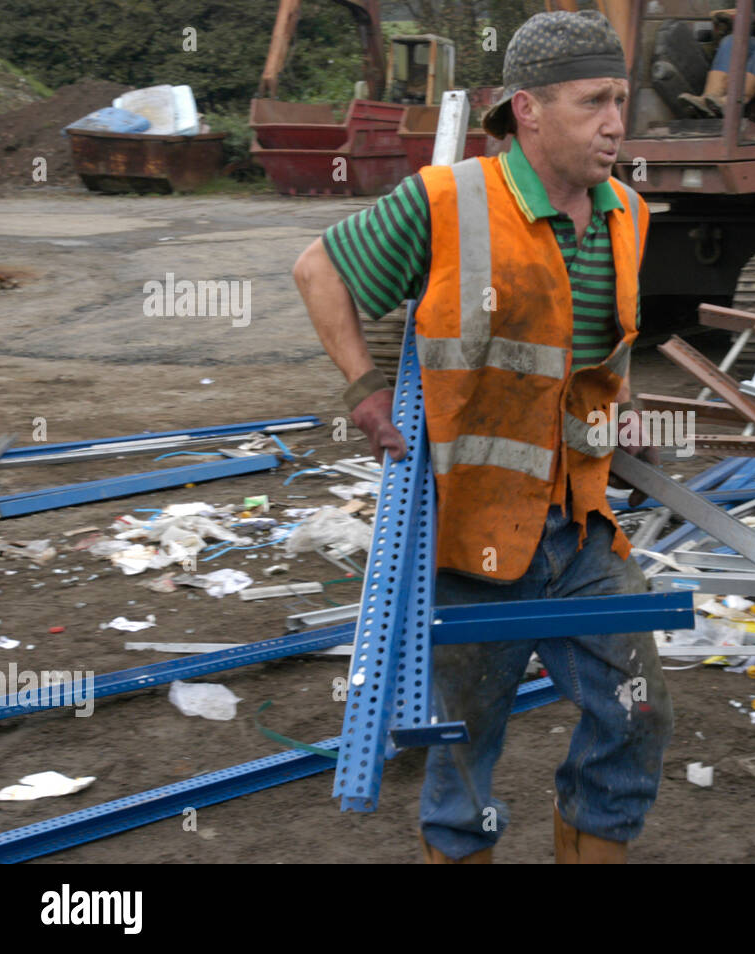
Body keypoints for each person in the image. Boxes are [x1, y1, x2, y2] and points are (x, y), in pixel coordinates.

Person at [291, 9, 673, 864]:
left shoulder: (628, 217)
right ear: (527, 110)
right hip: (469, 545)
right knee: (460, 763)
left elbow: (590, 360)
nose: (616, 122)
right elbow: (318, 269)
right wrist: (362, 389)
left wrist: (624, 420)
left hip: (578, 535)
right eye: (592, 103)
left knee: (640, 711)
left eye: (621, 100)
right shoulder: (450, 201)